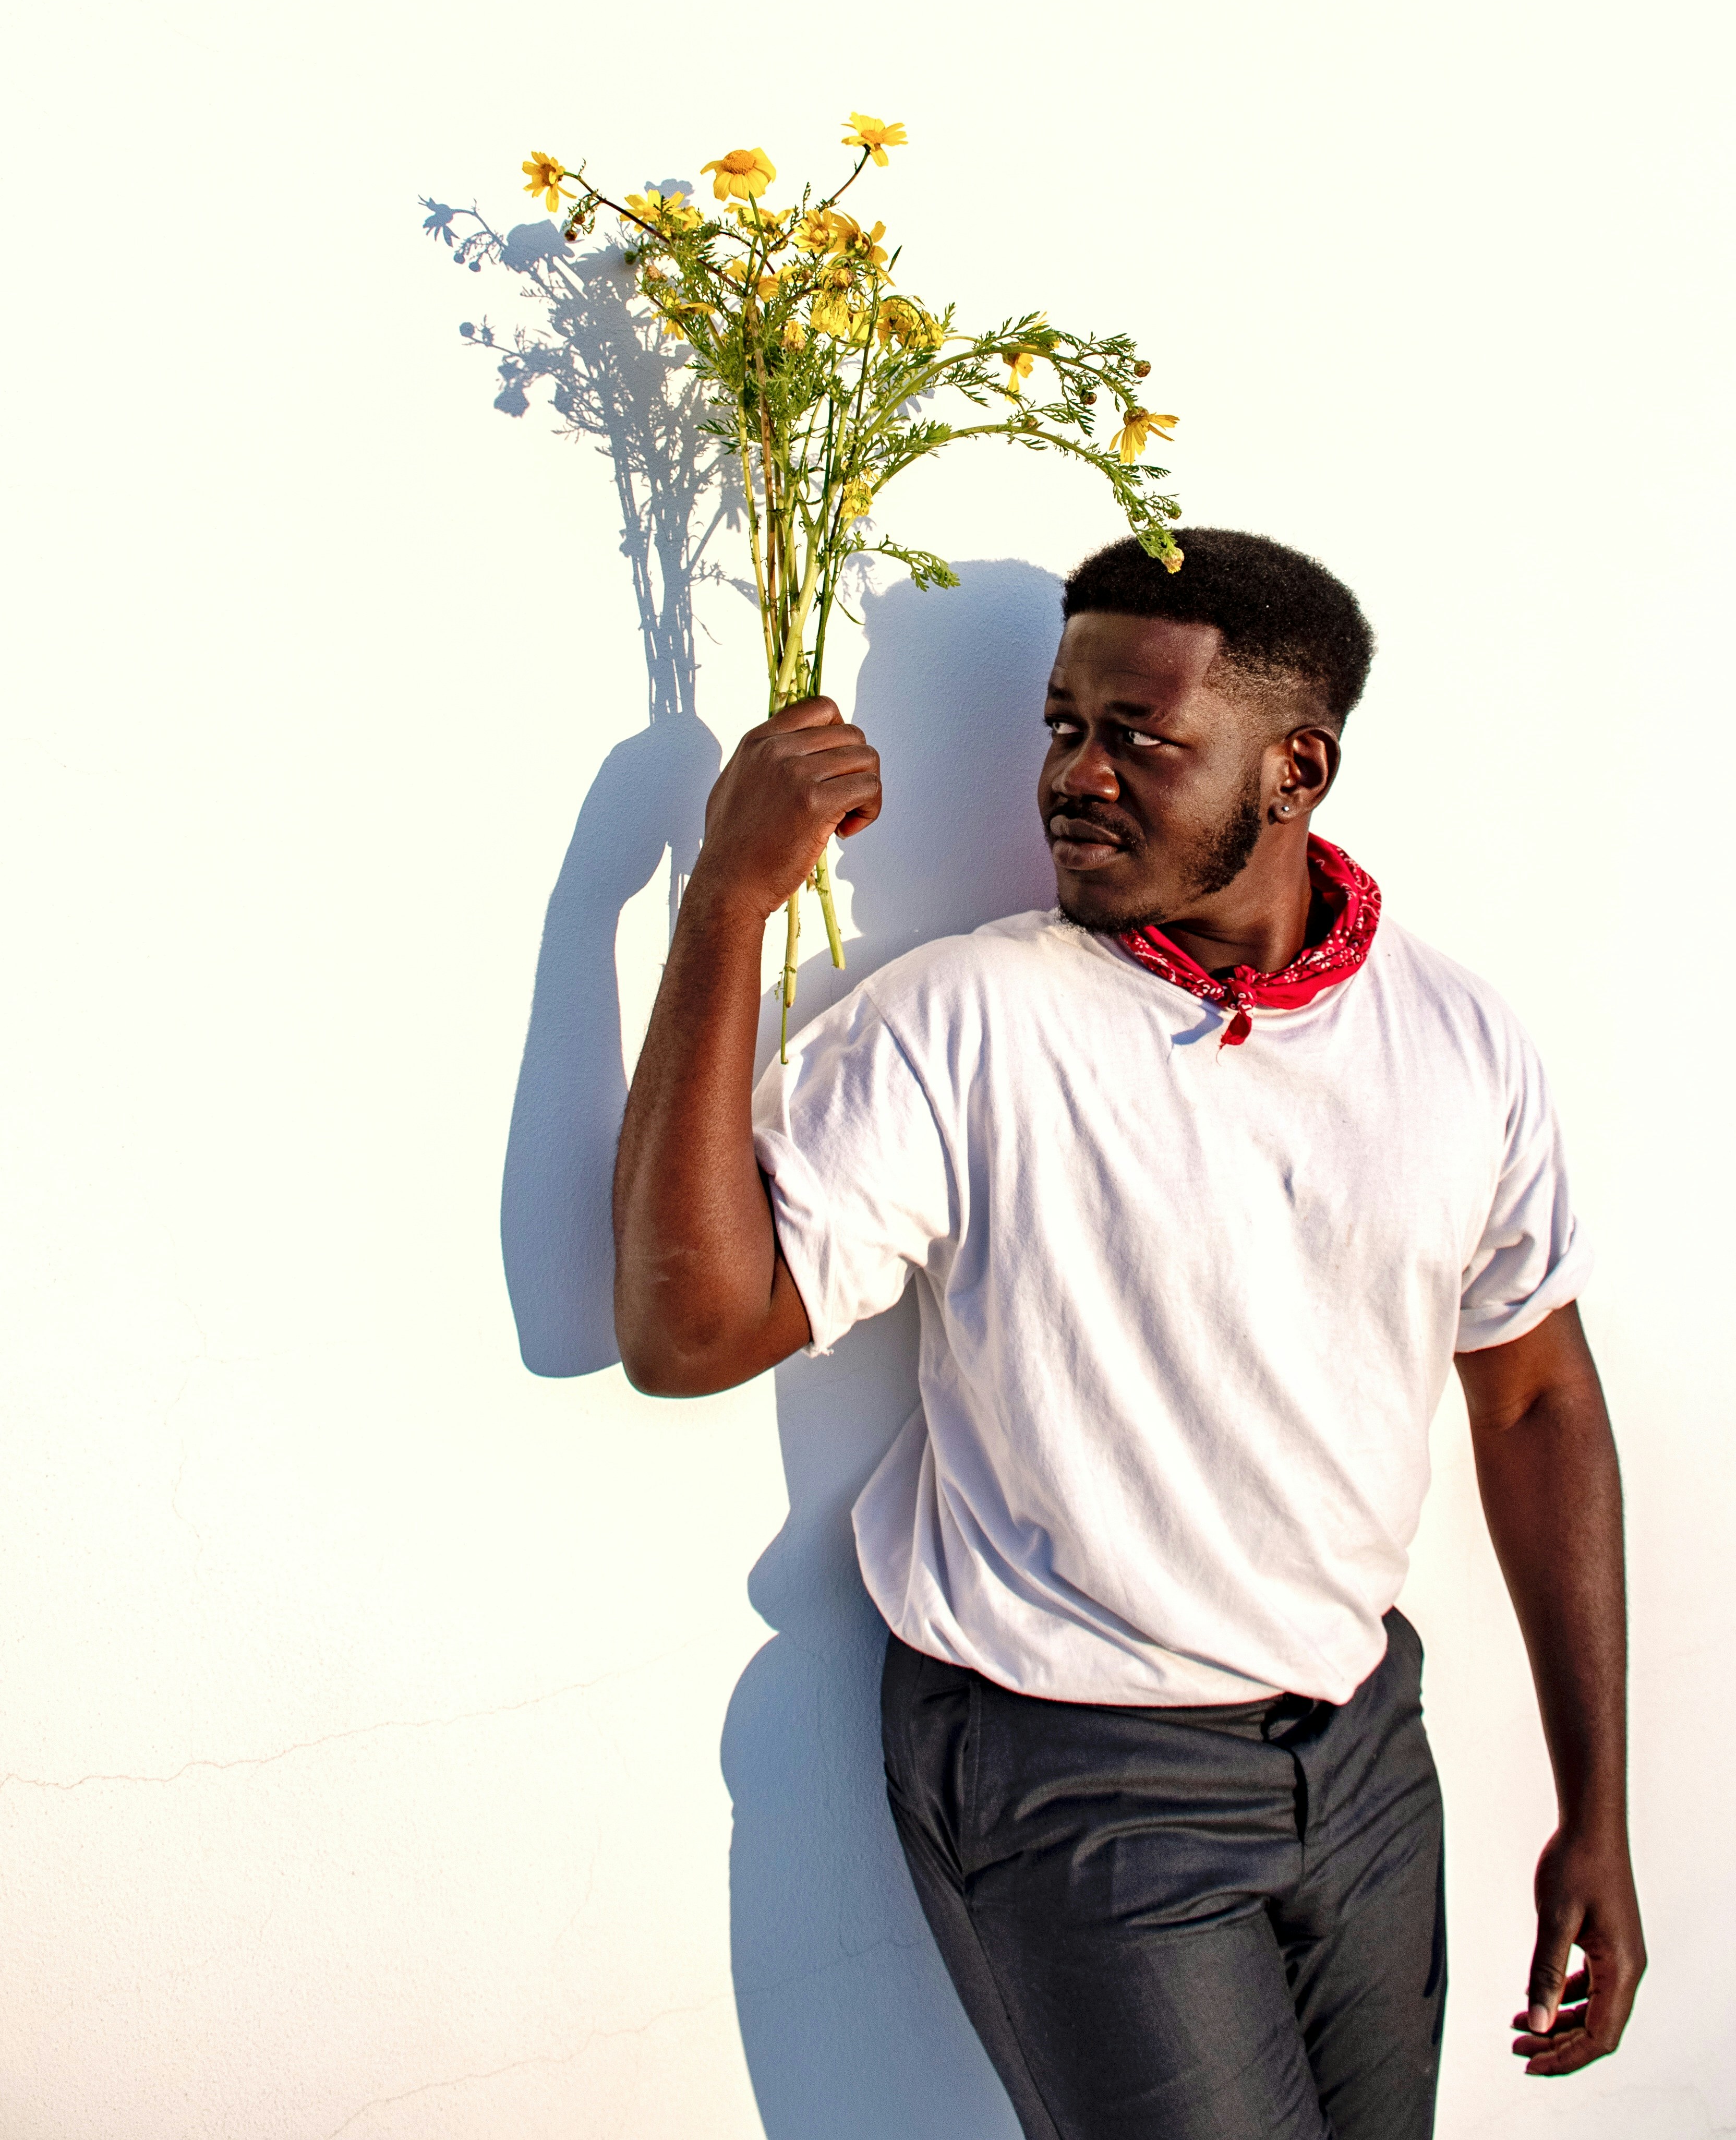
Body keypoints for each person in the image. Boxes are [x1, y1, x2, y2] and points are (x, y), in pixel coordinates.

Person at [612, 526, 1645, 2139]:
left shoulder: (1455, 1038)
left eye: (1136, 738)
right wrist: (733, 904)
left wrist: (1600, 1811)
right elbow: (687, 1330)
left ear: (1297, 767)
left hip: (1366, 1751)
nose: (1071, 779)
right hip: (1079, 1774)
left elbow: (1533, 1403)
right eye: (1057, 726)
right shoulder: (970, 1021)